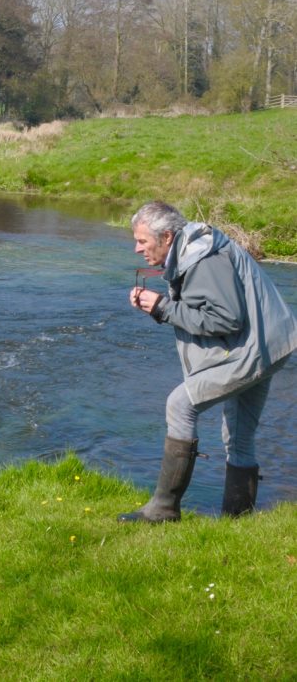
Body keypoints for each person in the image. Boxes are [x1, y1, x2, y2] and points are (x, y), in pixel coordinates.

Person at [118, 200, 297, 523]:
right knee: (239, 436)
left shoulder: (205, 260)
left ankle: (163, 509)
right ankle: (237, 521)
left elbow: (225, 320)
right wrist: (161, 305)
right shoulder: (196, 248)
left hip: (253, 349)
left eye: (142, 241)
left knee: (180, 405)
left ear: (168, 237)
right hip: (272, 344)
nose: (136, 248)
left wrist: (162, 308)